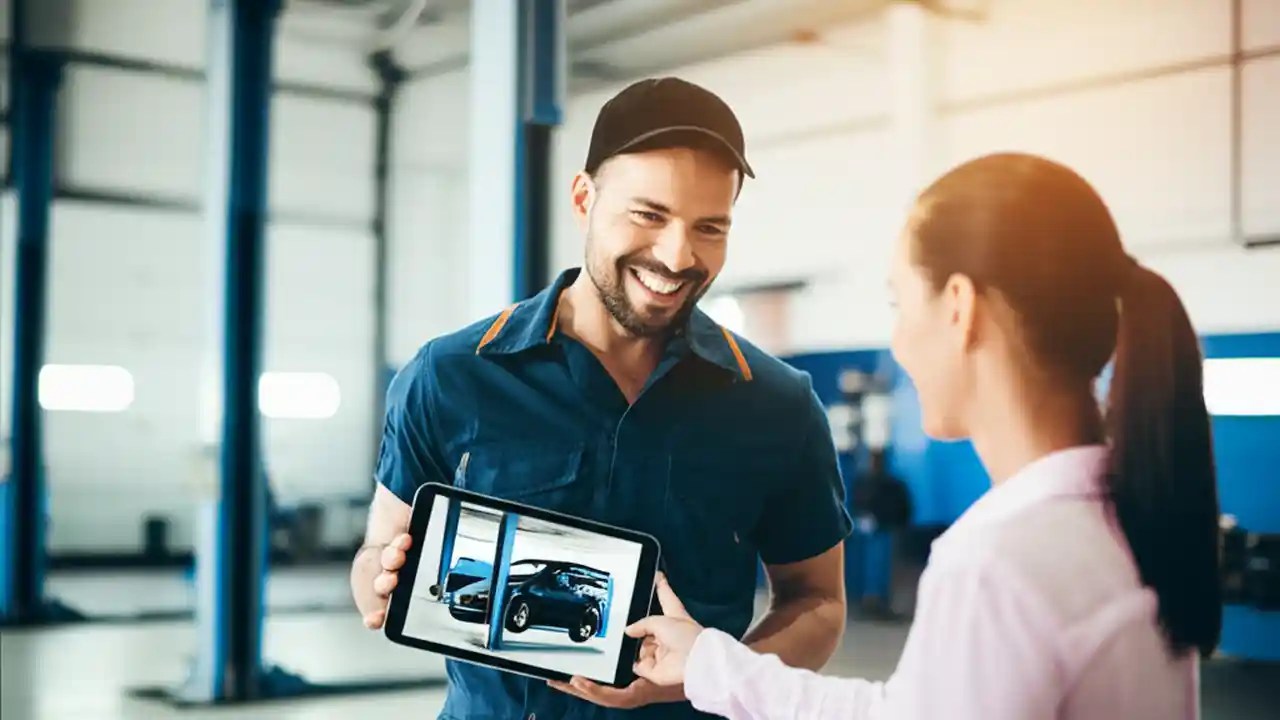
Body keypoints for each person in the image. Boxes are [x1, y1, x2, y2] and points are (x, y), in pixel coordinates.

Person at [625, 152, 1222, 719]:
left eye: (900, 303)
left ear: (959, 307)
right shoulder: (1134, 514)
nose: (899, 342)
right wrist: (710, 662)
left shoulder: (998, 565)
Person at [351, 76, 853, 720]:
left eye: (710, 227)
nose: (677, 255)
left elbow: (817, 601)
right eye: (649, 215)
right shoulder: (450, 376)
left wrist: (706, 678)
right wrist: (378, 582)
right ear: (584, 198)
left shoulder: (777, 404)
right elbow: (378, 547)